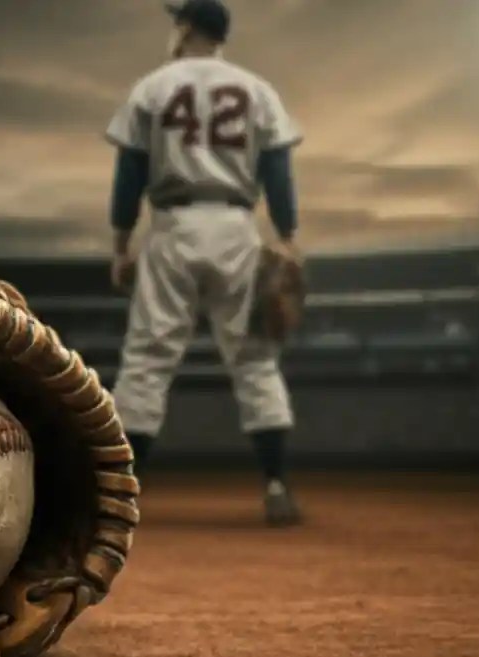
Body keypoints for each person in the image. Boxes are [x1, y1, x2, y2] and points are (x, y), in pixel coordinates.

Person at [104, 0, 306, 526]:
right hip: (237, 226)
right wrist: (287, 238)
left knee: (147, 359)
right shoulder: (257, 89)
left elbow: (130, 174)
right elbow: (278, 174)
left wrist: (122, 243)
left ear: (187, 26)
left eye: (178, 20)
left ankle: (120, 501)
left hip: (172, 224)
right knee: (256, 359)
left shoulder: (153, 86)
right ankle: (277, 484)